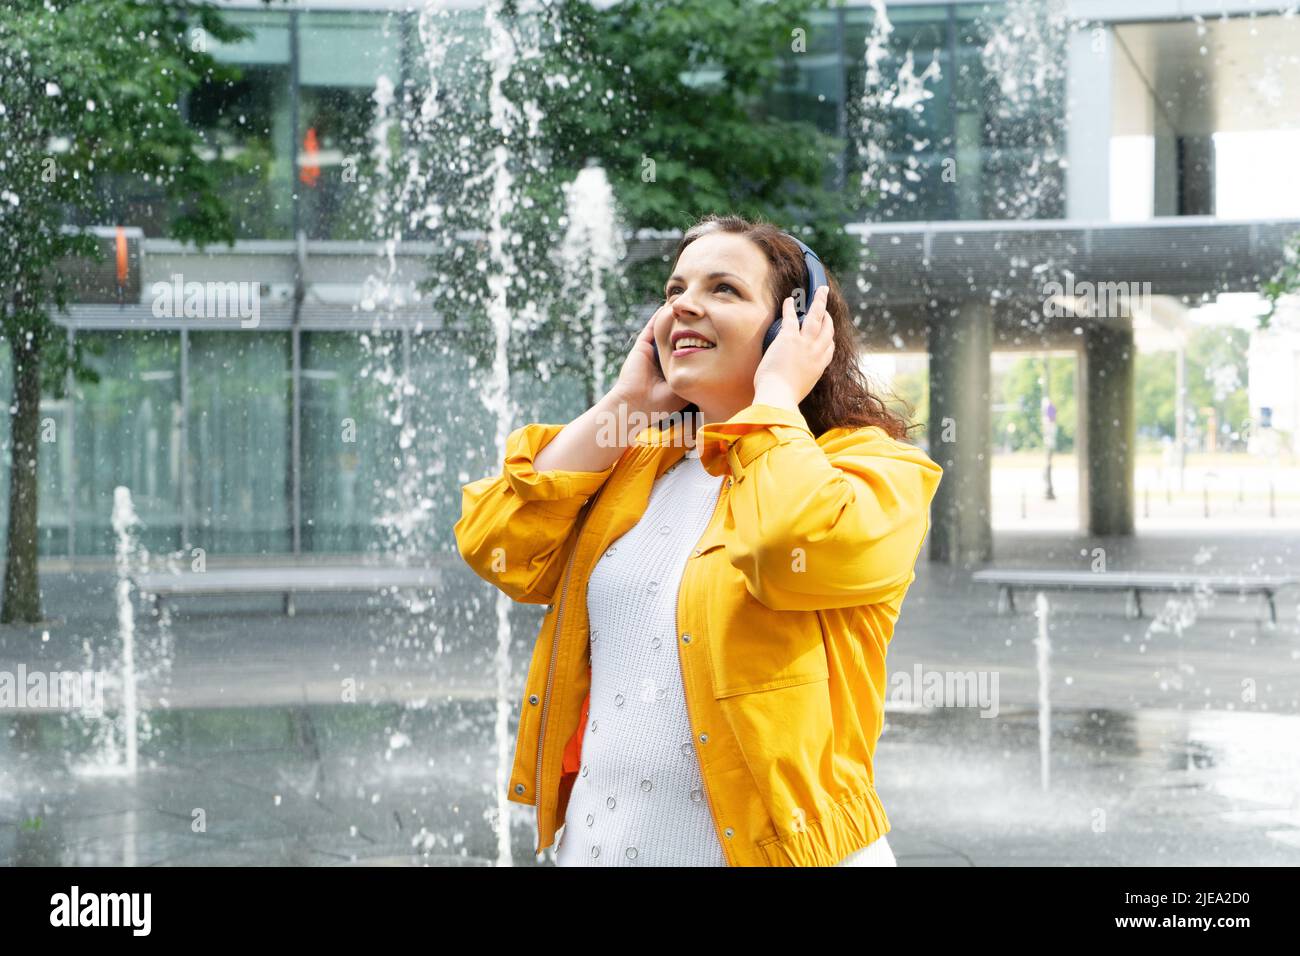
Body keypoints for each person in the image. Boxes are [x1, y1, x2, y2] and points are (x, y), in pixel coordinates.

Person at [455, 213, 943, 866]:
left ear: (793, 329)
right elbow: (496, 547)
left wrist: (774, 395)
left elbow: (787, 545)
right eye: (674, 290)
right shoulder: (639, 462)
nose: (685, 305)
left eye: (723, 290)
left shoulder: (871, 468)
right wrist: (626, 404)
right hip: (594, 847)